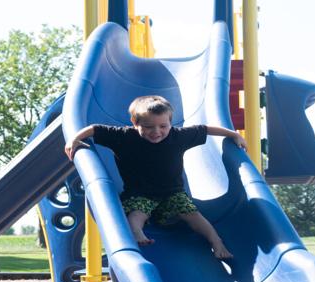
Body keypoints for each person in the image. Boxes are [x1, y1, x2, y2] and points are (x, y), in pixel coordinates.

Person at [65, 95, 246, 259]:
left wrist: (233, 134)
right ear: (135, 123)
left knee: (192, 213)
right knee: (137, 212)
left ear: (170, 123)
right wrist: (74, 139)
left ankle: (216, 242)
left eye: (163, 126)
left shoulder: (178, 136)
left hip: (173, 193)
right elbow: (94, 129)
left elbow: (206, 129)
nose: (156, 131)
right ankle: (136, 232)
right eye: (148, 127)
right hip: (139, 193)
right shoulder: (123, 136)